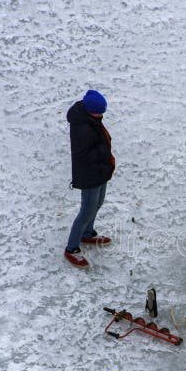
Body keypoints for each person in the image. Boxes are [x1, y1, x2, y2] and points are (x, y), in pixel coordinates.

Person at [64, 90, 116, 268]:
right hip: (90, 176)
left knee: (98, 203)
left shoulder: (91, 119)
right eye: (99, 111)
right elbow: (84, 154)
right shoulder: (82, 128)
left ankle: (87, 234)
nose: (102, 115)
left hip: (100, 172)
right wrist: (103, 152)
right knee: (86, 211)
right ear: (90, 110)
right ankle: (71, 248)